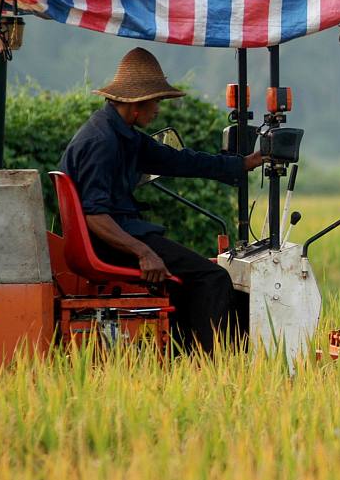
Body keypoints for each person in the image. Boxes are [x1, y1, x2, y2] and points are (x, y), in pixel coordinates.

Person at [59, 47, 264, 353]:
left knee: (190, 277)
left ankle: (184, 357)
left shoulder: (123, 134)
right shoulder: (101, 143)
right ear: (137, 104)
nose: (158, 110)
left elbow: (180, 161)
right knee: (213, 278)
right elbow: (95, 215)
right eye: (156, 102)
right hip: (109, 241)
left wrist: (243, 164)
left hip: (119, 234)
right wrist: (143, 252)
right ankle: (220, 366)